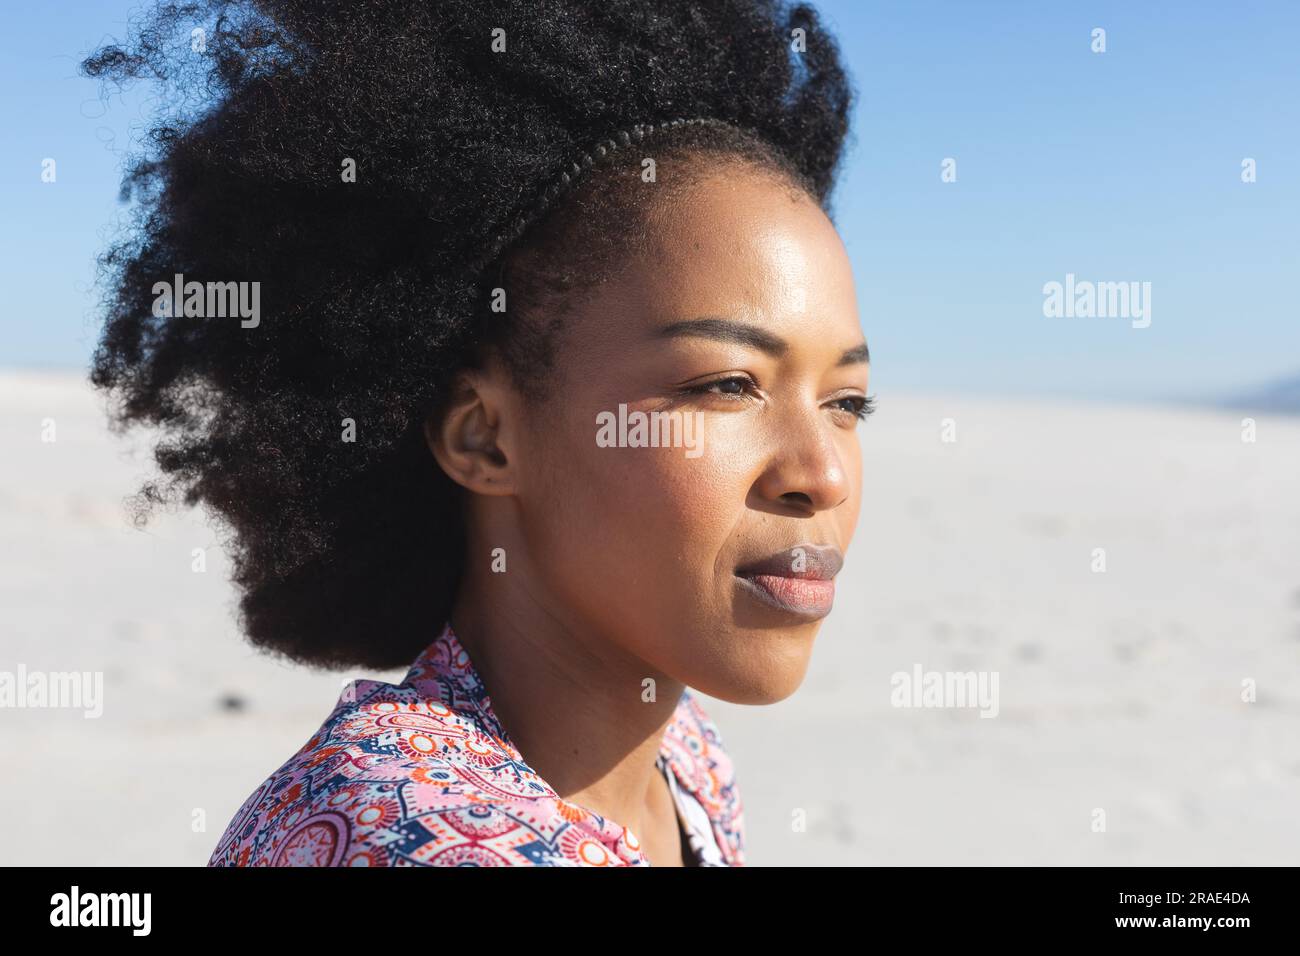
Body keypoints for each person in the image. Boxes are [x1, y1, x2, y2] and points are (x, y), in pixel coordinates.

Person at [82, 0, 869, 866]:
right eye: (728, 384)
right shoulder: (412, 842)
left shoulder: (684, 763)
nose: (823, 472)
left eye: (847, 402)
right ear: (483, 438)